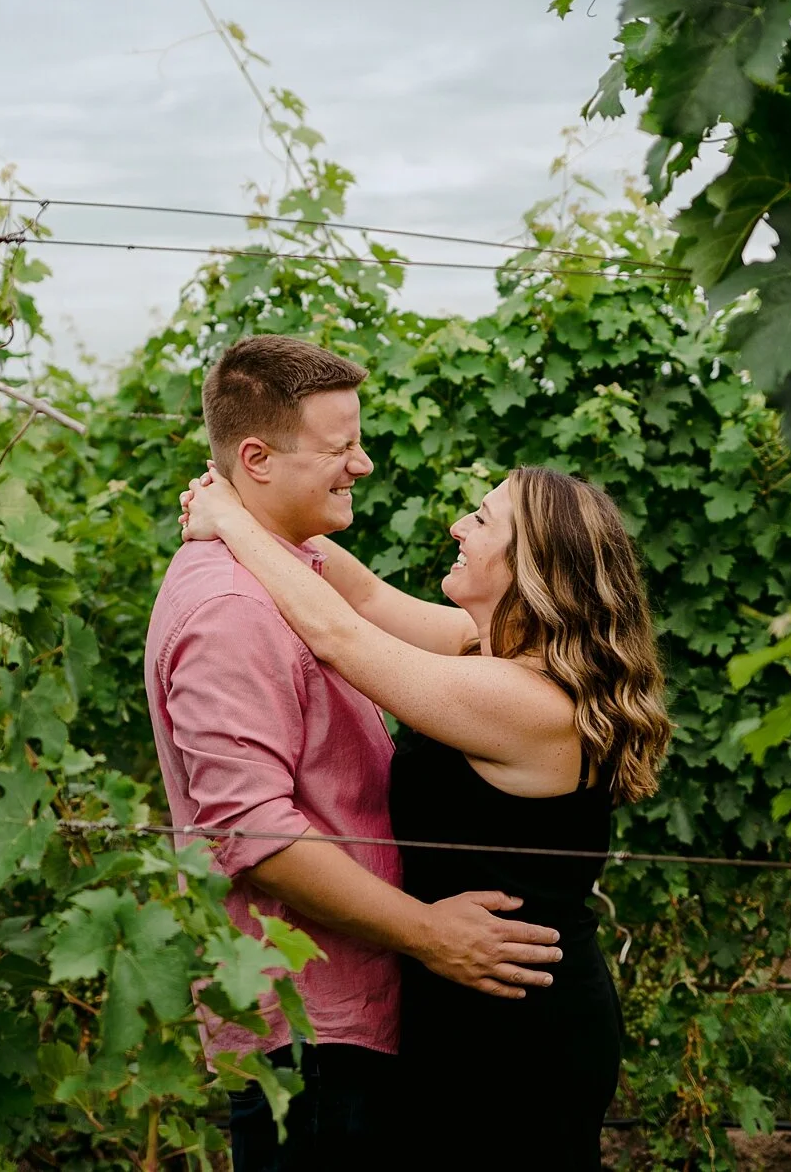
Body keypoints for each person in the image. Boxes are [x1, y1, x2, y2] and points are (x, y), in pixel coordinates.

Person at [144, 335, 567, 1172]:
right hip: (308, 1026)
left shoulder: (290, 576)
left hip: (363, 1010)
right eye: (341, 449)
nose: (364, 465)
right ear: (258, 458)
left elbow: (353, 609)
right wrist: (426, 933)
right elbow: (254, 833)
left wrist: (232, 509)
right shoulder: (230, 610)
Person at [181, 458, 673, 1171]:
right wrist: (264, 511)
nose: (457, 525)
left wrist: (228, 518)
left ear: (528, 565)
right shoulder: (494, 653)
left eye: (480, 518)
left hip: (516, 1031)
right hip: (476, 999)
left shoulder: (525, 701)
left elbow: (341, 636)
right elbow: (367, 596)